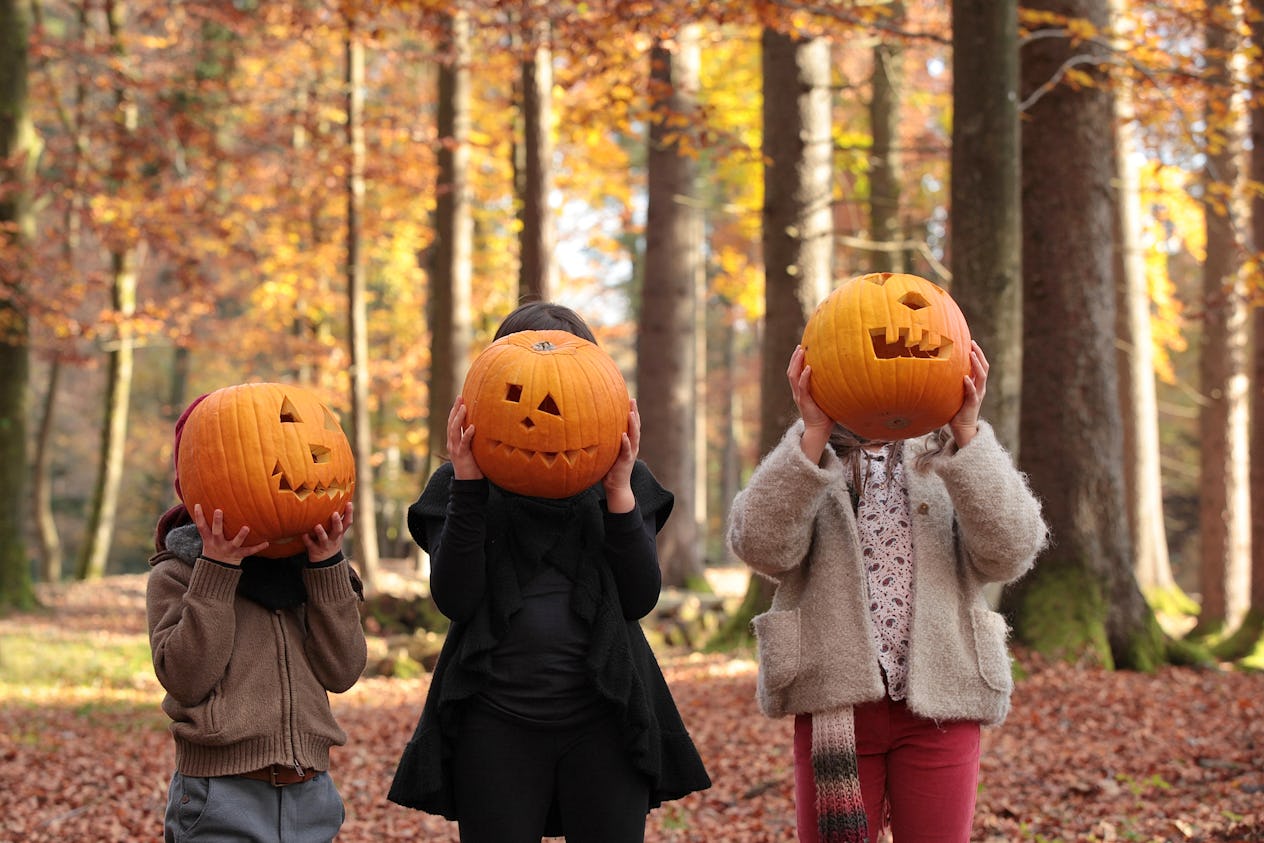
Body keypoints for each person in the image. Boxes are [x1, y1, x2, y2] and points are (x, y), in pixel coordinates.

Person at [388, 301, 711, 843]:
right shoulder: (458, 488)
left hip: (605, 719)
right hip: (493, 724)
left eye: (569, 389)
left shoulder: (625, 487)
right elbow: (456, 600)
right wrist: (468, 484)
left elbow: (638, 598)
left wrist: (618, 494)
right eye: (517, 389)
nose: (546, 412)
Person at [726, 341, 1048, 843]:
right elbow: (762, 547)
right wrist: (812, 432)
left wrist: (967, 435)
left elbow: (1010, 552)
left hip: (942, 700)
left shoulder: (948, 452)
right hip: (836, 704)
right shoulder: (815, 453)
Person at [146, 397, 367, 843]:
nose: (277, 468)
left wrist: (325, 568)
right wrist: (217, 572)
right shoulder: (178, 573)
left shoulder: (317, 572)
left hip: (311, 795)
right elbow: (187, 678)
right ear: (193, 482)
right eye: (245, 456)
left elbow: (343, 671)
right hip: (219, 798)